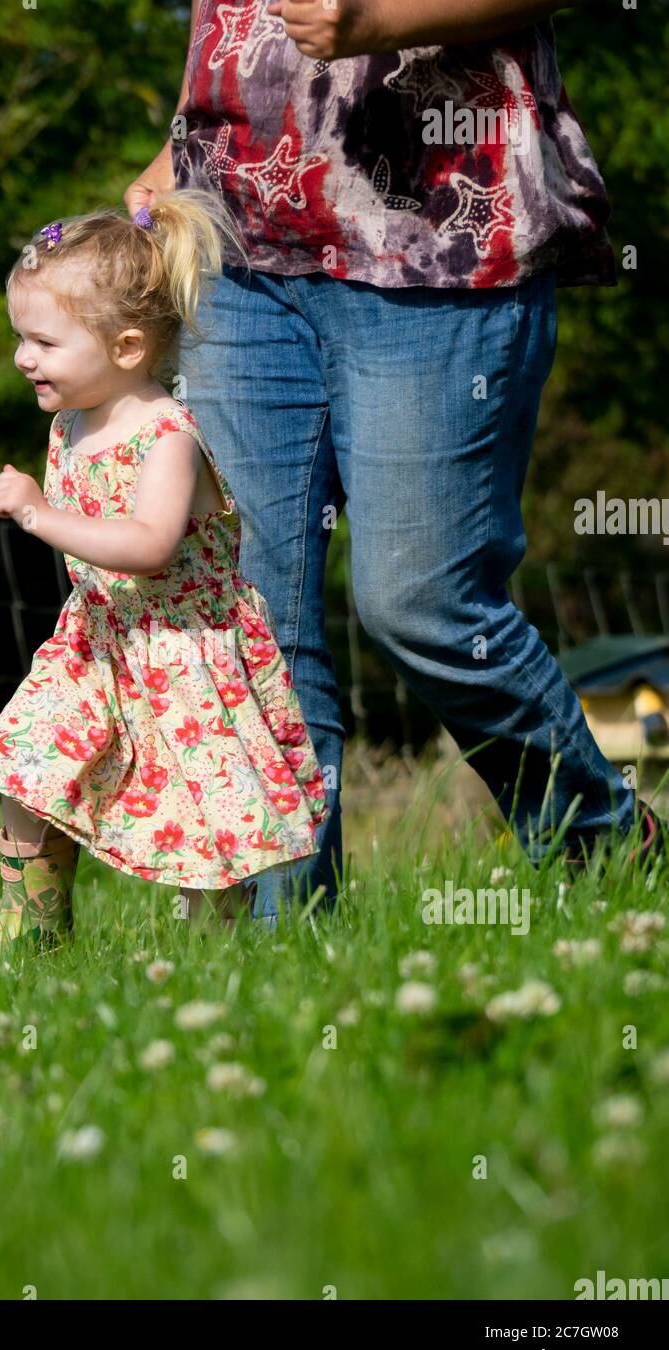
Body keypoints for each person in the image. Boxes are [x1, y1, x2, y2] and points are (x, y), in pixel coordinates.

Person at [124, 0, 664, 927]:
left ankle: (606, 847)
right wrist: (167, 166)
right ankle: (286, 935)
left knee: (420, 604)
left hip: (440, 249)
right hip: (235, 257)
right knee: (253, 610)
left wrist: (379, 19)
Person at [0, 191, 329, 949]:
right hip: (97, 644)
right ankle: (31, 928)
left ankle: (213, 963)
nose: (21, 358)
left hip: (183, 654)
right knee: (27, 767)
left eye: (41, 342)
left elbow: (150, 544)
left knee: (208, 821)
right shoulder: (70, 424)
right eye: (19, 338)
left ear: (126, 347)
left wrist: (39, 516)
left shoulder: (166, 432)